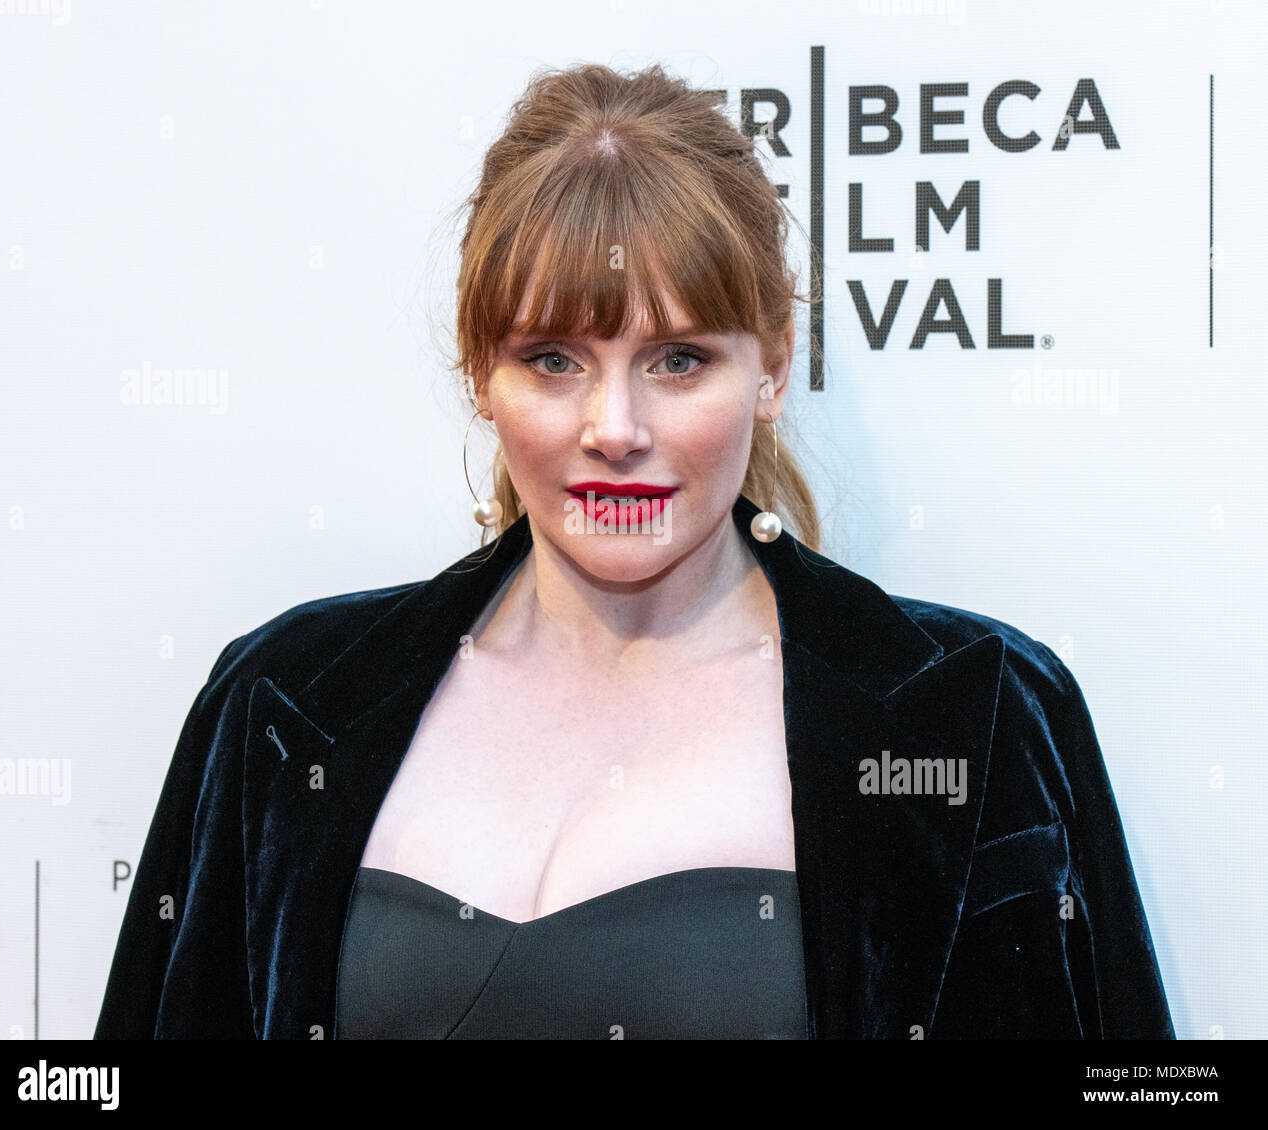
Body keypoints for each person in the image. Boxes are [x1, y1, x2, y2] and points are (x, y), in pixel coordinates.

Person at [93, 62, 1173, 1040]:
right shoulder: (283, 701)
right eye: (554, 358)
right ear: (481, 372)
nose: (614, 426)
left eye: (677, 358)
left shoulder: (976, 716)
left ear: (772, 367)